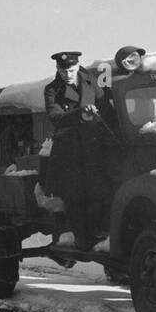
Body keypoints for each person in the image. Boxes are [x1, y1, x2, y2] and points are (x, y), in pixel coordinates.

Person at [43, 51, 107, 249]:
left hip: (92, 147)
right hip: (68, 151)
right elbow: (56, 118)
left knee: (97, 192)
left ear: (78, 67)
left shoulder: (91, 82)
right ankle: (80, 238)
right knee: (73, 196)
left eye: (70, 70)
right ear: (58, 70)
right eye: (62, 71)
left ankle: (98, 235)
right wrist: (81, 113)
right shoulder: (52, 90)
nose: (67, 74)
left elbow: (105, 106)